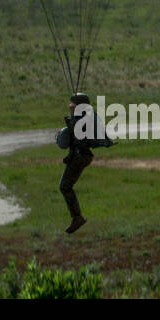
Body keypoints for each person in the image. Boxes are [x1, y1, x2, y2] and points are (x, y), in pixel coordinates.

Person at [59, 92, 105, 234]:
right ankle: (76, 217)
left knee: (65, 186)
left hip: (80, 157)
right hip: (80, 156)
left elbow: (76, 137)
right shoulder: (81, 119)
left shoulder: (82, 120)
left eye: (73, 105)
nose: (70, 107)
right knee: (65, 186)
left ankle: (77, 218)